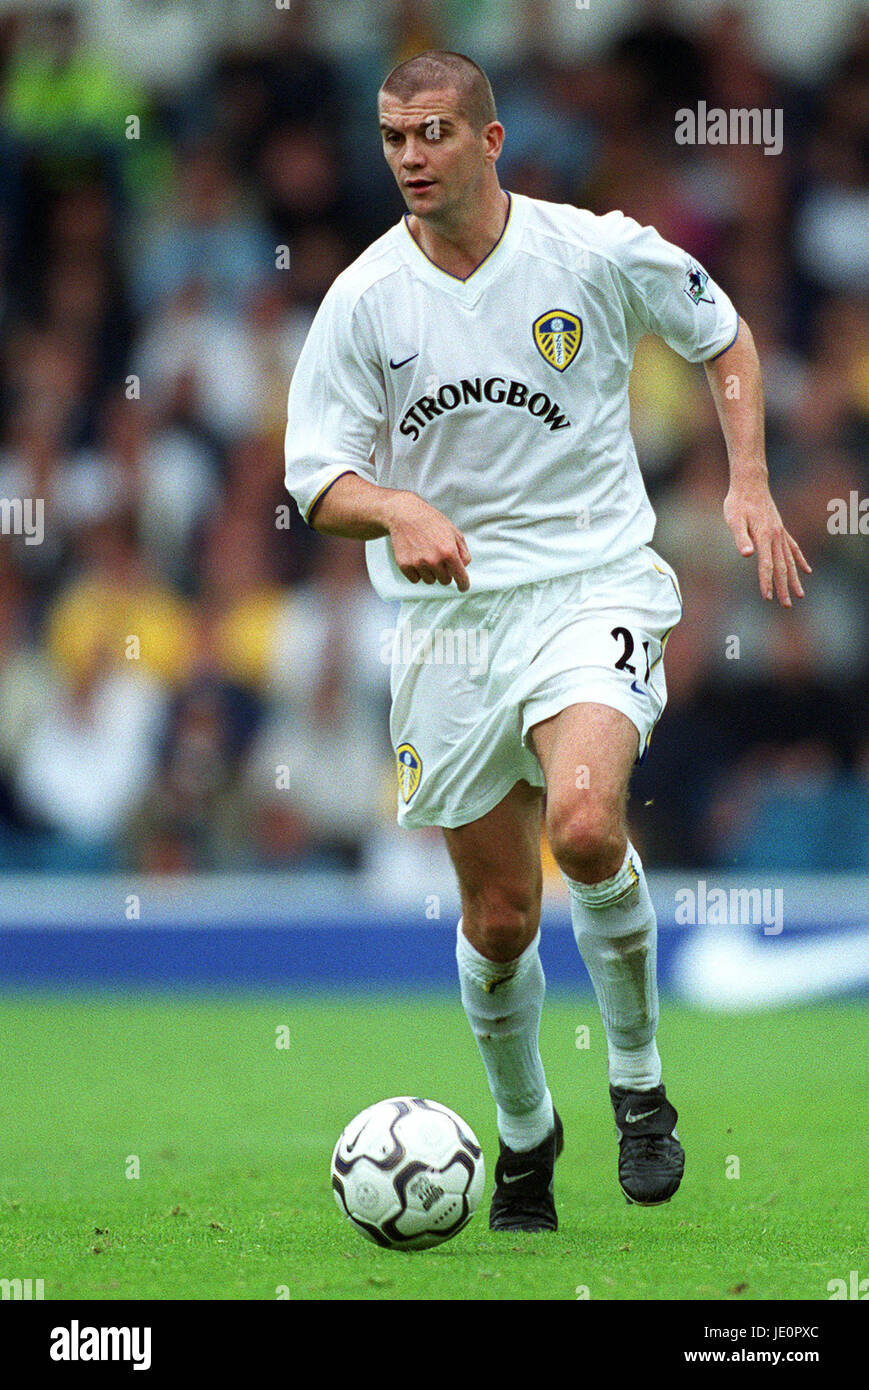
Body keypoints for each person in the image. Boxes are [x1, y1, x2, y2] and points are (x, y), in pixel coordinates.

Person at [284, 51, 810, 1232]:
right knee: (499, 919)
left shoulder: (591, 251)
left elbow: (721, 338)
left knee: (581, 826)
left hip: (592, 583)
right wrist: (395, 506)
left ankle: (636, 1087)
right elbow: (314, 477)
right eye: (391, 138)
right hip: (449, 628)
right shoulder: (363, 299)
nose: (409, 158)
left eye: (430, 134)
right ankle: (525, 1138)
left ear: (489, 139)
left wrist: (751, 483)